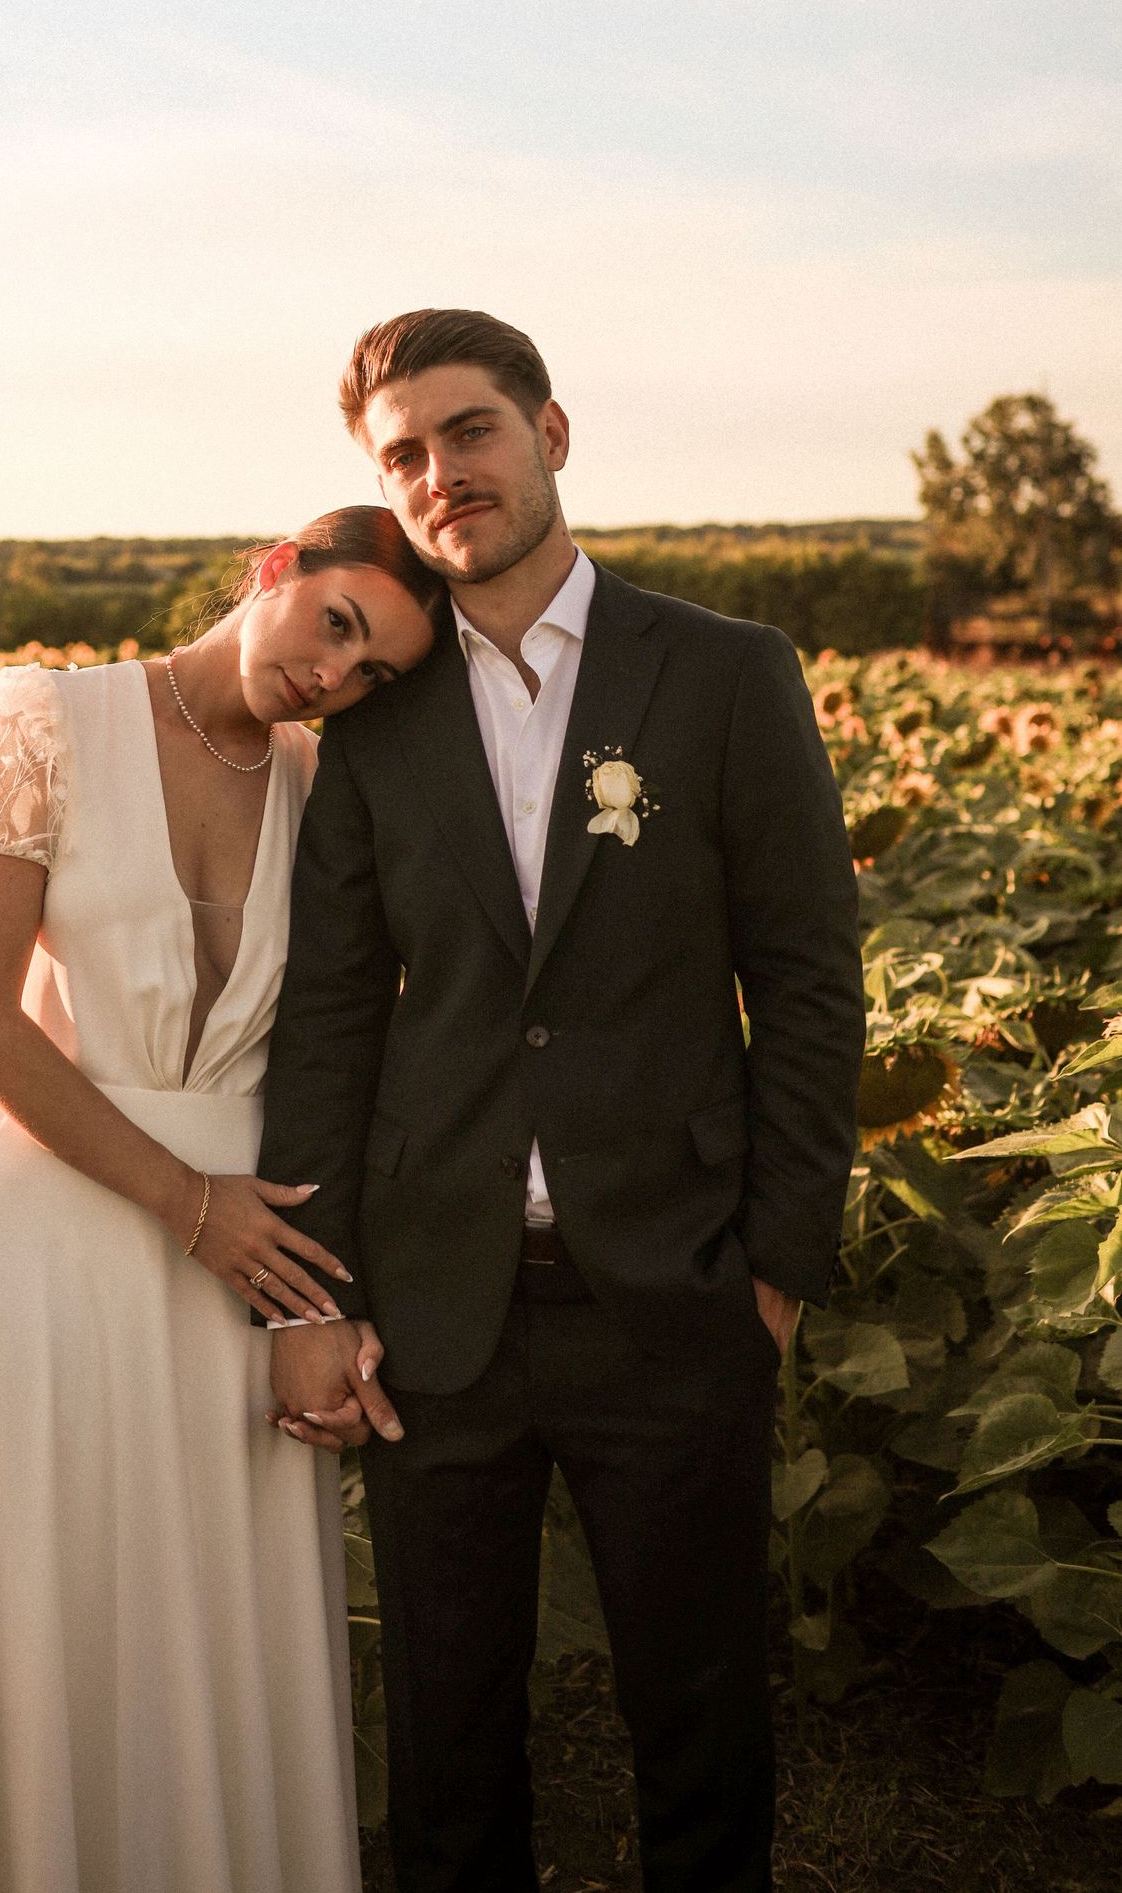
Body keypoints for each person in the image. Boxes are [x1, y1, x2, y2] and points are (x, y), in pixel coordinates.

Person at [259, 310, 867, 1893]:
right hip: (436, 1298)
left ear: (552, 433)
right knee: (450, 1745)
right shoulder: (372, 718)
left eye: (470, 432)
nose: (441, 474)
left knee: (702, 1724)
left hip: (675, 1292)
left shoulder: (728, 675)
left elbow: (808, 979)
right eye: (404, 456)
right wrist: (307, 1297)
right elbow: (330, 1011)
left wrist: (778, 1271)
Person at [0, 508, 443, 1893]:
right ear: (276, 566)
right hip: (48, 1228)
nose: (336, 676)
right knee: (49, 1611)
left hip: (257, 1260)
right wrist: (192, 1206)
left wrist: (315, 1284)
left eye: (375, 674)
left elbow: (340, 1051)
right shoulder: (45, 718)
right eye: (338, 623)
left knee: (213, 1629)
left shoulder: (323, 785)